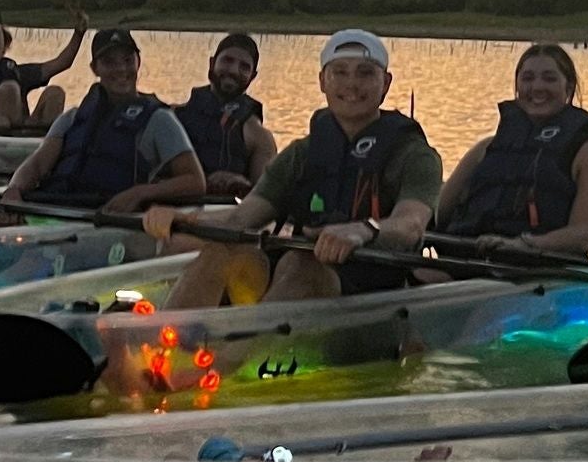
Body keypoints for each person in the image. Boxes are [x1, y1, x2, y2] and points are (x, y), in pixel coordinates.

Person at [146, 29, 442, 307]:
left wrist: (363, 230)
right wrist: (182, 218)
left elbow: (410, 225)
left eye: (365, 73)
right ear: (323, 81)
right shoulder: (301, 154)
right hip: (300, 273)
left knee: (300, 265)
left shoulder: (415, 155)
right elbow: (240, 218)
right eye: (340, 72)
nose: (351, 84)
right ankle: (164, 344)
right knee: (221, 251)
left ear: (386, 83)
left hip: (369, 287)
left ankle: (238, 352)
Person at [0, 28, 206, 216]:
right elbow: (36, 165)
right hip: (56, 211)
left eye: (127, 60)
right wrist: (14, 189)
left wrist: (139, 194)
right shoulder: (71, 119)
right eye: (109, 62)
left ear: (138, 62)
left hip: (111, 220)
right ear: (94, 68)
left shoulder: (159, 119)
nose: (121, 69)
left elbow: (195, 181)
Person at [438, 43, 588, 257]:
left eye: (549, 78)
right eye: (528, 78)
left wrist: (524, 244)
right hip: (467, 261)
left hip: (536, 270)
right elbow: (440, 213)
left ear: (568, 88)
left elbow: (581, 236)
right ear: (517, 86)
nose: (537, 87)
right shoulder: (485, 149)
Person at [173, 32, 279, 201]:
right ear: (212, 63)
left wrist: (242, 184)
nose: (233, 71)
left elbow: (267, 201)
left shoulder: (260, 137)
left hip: (224, 216)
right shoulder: (173, 117)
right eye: (227, 61)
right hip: (172, 209)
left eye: (244, 67)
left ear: (253, 76)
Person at [0, 5, 86, 131]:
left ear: (4, 36)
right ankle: (14, 138)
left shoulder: (14, 70)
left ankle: (46, 142)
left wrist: (79, 33)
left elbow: (62, 63)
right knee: (9, 88)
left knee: (55, 93)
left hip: (23, 131)